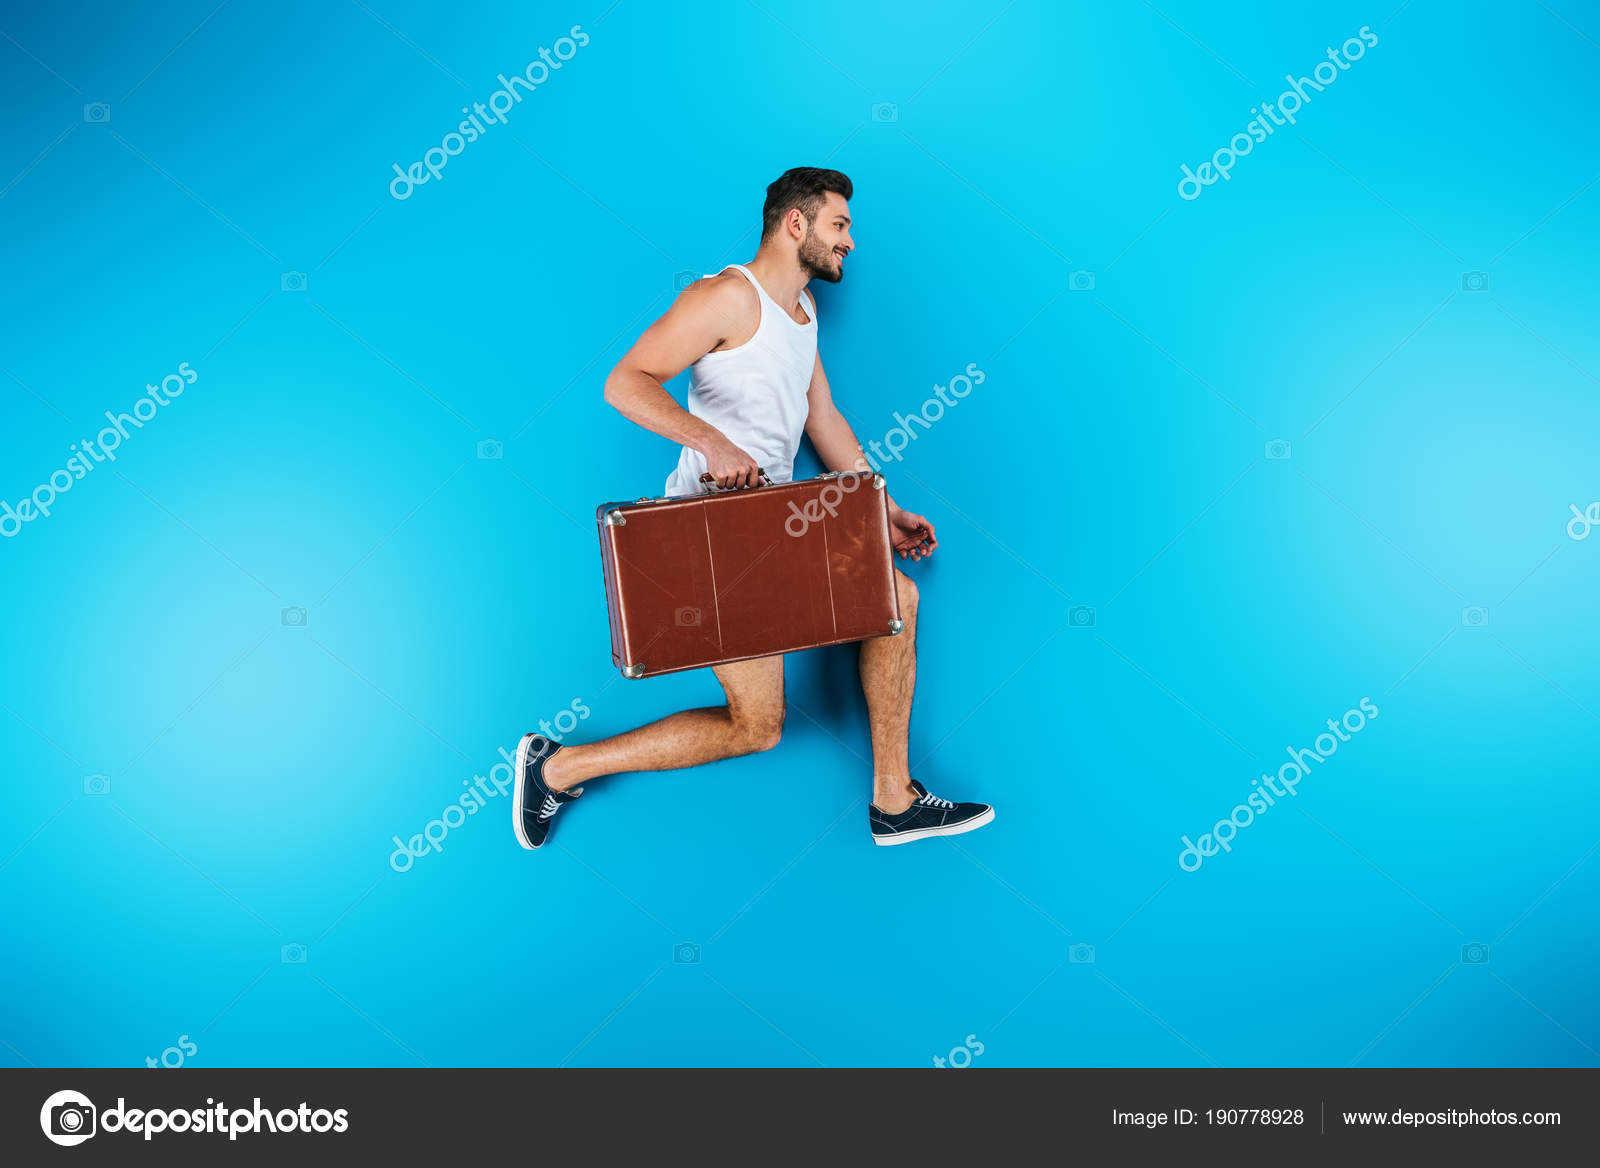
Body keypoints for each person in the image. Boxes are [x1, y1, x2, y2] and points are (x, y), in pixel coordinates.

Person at [513, 167, 993, 850]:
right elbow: (625, 382)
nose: (850, 241)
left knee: (897, 602)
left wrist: (881, 509)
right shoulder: (727, 297)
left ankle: (893, 800)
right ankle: (555, 767)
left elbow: (821, 418)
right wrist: (709, 440)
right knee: (758, 727)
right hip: (709, 534)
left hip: (771, 530)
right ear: (796, 224)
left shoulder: (803, 313)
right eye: (840, 224)